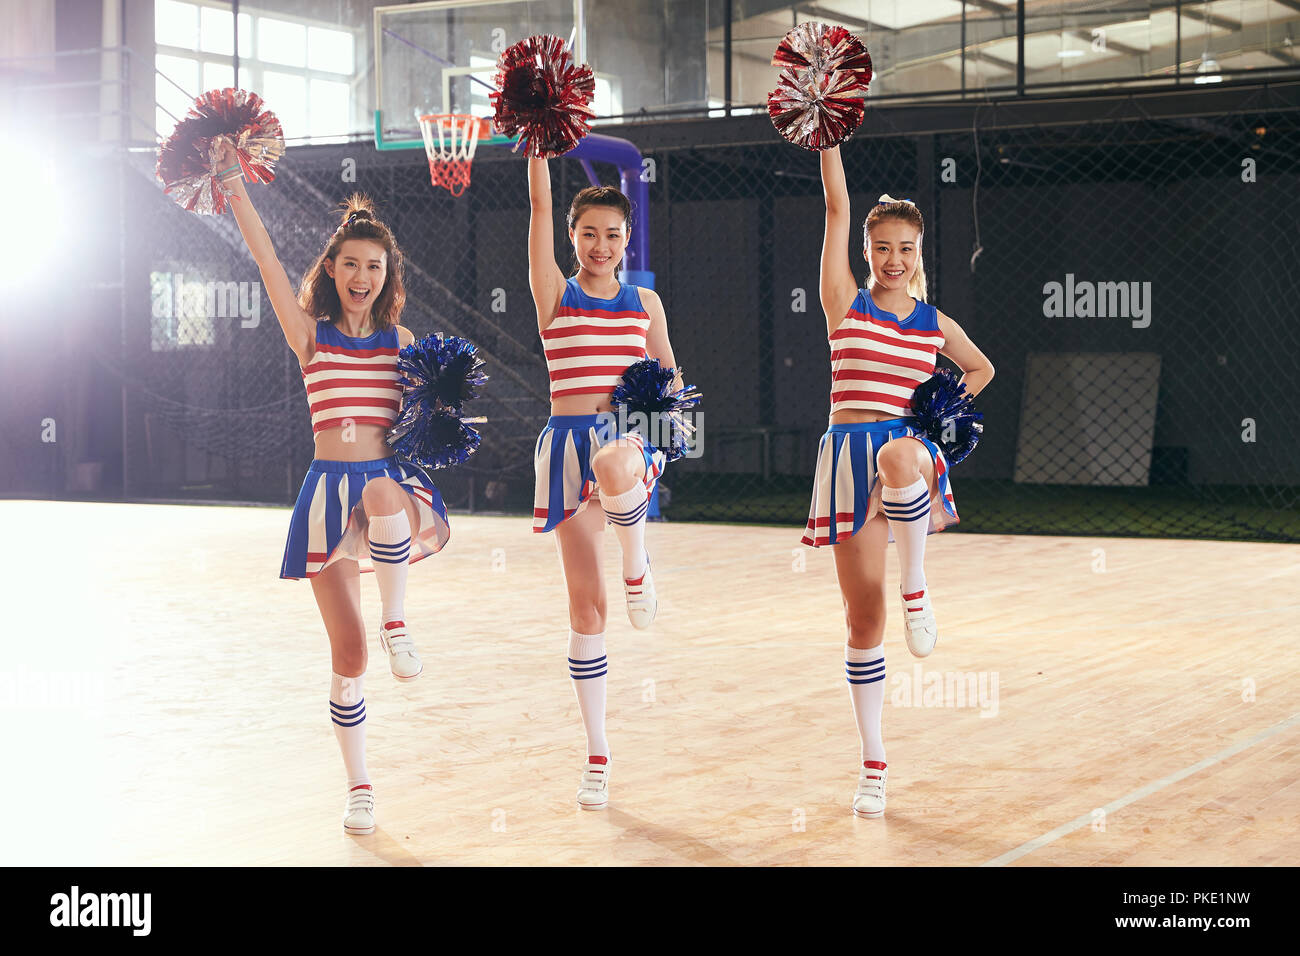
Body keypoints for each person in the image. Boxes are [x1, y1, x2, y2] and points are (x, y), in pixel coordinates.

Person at [220, 143, 451, 835]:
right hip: (326, 495)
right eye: (350, 263)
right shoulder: (310, 335)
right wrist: (233, 184)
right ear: (332, 269)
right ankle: (359, 786)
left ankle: (399, 621)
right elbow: (265, 259)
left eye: (374, 266)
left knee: (382, 495)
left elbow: (428, 418)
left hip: (384, 484)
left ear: (387, 277)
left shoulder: (402, 341)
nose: (361, 275)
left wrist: (439, 417)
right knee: (347, 656)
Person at [802, 144, 995, 818]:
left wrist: (939, 418)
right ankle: (875, 762)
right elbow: (834, 204)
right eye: (882, 246)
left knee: (900, 458)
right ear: (866, 249)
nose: (893, 259)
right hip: (846, 460)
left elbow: (980, 370)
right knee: (862, 620)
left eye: (906, 247)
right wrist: (827, 136)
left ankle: (918, 588)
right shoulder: (843, 304)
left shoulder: (933, 323)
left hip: (906, 455)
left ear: (919, 251)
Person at [526, 155, 681, 810]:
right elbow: (535, 210)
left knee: (615, 463)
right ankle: (597, 754)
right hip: (566, 452)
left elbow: (670, 380)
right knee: (586, 610)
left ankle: (638, 564)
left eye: (612, 234)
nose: (601, 245)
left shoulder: (644, 303)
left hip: (629, 443)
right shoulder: (554, 296)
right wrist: (537, 147)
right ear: (572, 237)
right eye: (589, 233)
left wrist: (657, 415)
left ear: (627, 239)